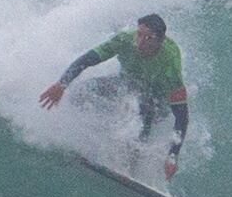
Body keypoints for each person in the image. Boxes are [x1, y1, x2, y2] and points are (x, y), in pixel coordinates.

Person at [38, 14, 189, 180]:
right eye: (139, 34)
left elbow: (181, 115)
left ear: (159, 41)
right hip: (128, 83)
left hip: (157, 100)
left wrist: (173, 156)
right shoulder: (125, 40)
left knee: (144, 111)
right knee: (82, 91)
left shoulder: (170, 64)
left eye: (148, 38)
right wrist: (62, 84)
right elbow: (88, 59)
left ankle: (131, 171)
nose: (140, 41)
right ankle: (81, 137)